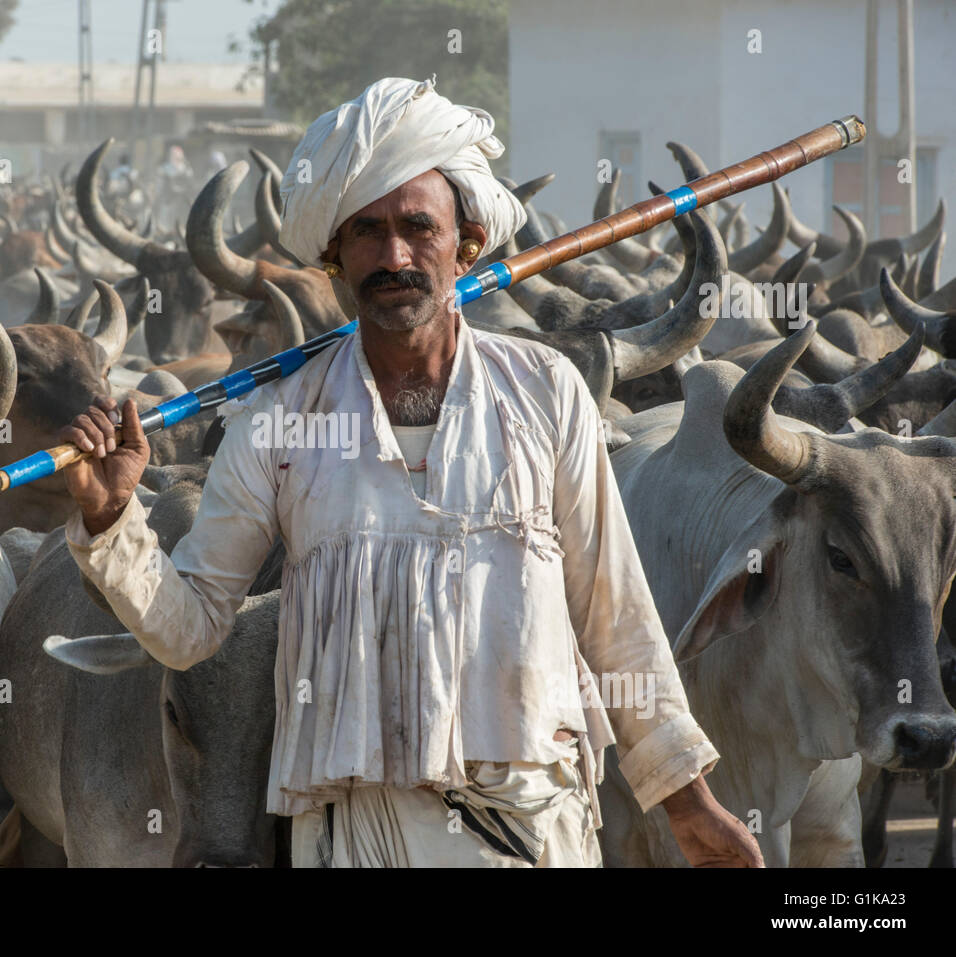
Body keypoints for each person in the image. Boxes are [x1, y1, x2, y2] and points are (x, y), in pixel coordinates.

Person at [57, 76, 764, 868]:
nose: (393, 254)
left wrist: (688, 800)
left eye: (416, 227)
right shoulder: (276, 423)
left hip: (533, 830)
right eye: (365, 232)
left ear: (464, 242)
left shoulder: (546, 393)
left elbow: (615, 614)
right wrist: (110, 520)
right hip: (357, 838)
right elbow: (190, 631)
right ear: (335, 255)